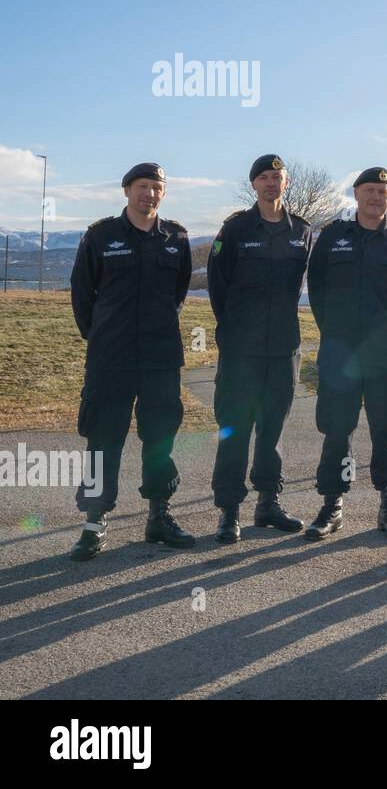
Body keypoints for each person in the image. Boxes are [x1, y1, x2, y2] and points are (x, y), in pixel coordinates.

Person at [68, 162, 195, 560]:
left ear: (164, 193)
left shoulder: (176, 237)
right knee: (102, 438)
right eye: (142, 186)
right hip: (111, 356)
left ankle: (159, 515)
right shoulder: (101, 235)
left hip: (160, 356)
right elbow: (81, 292)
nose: (150, 194)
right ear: (126, 190)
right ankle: (93, 523)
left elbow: (178, 293)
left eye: (157, 187)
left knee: (160, 437)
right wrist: (102, 335)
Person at [305, 167, 387, 541]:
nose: (376, 197)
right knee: (337, 431)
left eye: (382, 192)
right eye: (369, 190)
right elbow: (318, 290)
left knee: (386, 432)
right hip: (341, 354)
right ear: (356, 195)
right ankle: (333, 505)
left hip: (386, 355)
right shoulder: (333, 236)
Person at [207, 154, 312, 542]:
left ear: (286, 183)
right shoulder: (235, 229)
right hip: (241, 348)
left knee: (273, 427)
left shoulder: (301, 231)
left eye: (277, 177)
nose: (271, 182)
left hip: (284, 347)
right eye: (264, 177)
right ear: (254, 184)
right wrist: (233, 329)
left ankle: (269, 502)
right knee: (235, 427)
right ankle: (229, 510)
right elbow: (218, 286)